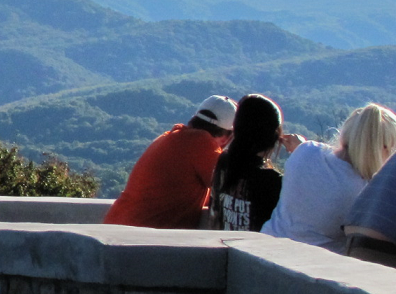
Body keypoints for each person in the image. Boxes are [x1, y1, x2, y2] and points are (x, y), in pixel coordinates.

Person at [262, 103, 396, 252]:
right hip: (309, 267)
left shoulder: (305, 151)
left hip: (266, 247)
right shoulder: (364, 193)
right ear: (383, 148)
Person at [103, 95, 236, 229]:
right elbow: (231, 187)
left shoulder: (173, 136)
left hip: (118, 228)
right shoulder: (200, 142)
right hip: (138, 237)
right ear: (227, 137)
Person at [203, 94, 295, 232]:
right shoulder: (271, 180)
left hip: (222, 248)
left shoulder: (224, 163)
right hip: (254, 252)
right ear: (273, 136)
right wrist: (300, 152)